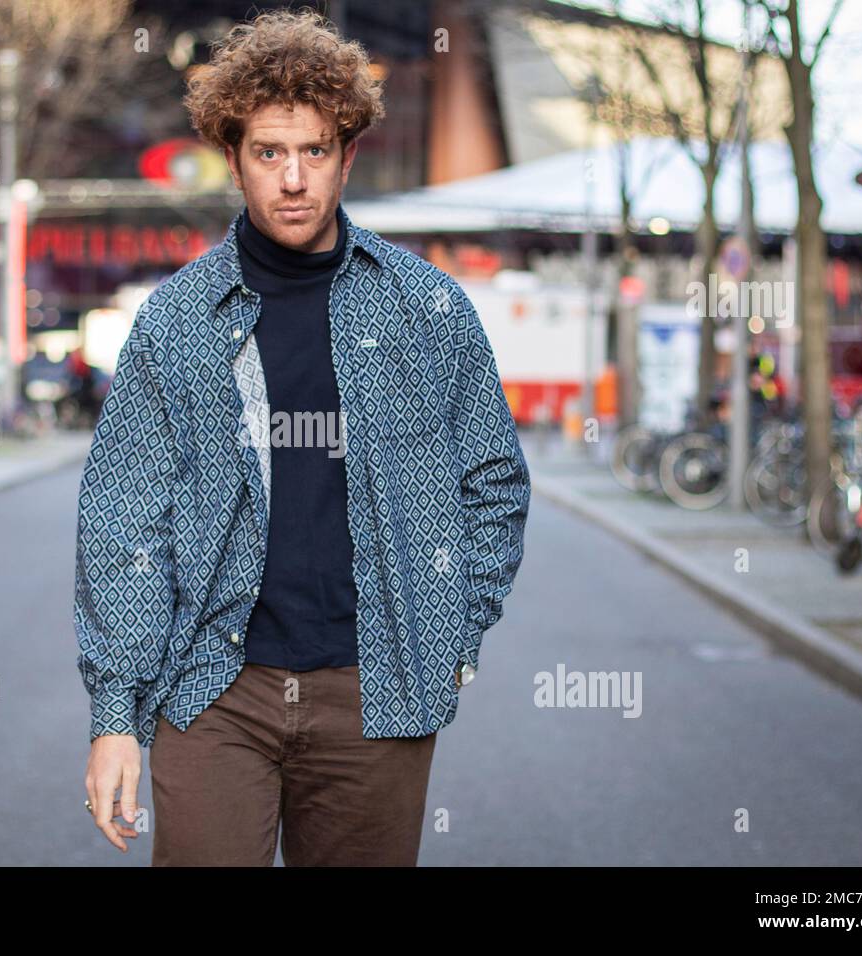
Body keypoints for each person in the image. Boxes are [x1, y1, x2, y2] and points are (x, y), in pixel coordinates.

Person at [75, 9, 531, 866]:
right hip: (214, 692)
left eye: (315, 152)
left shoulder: (426, 309)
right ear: (236, 161)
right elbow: (122, 520)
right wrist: (114, 717)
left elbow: (493, 483)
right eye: (270, 153)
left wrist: (451, 633)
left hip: (377, 692)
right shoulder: (176, 322)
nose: (293, 178)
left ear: (348, 157)